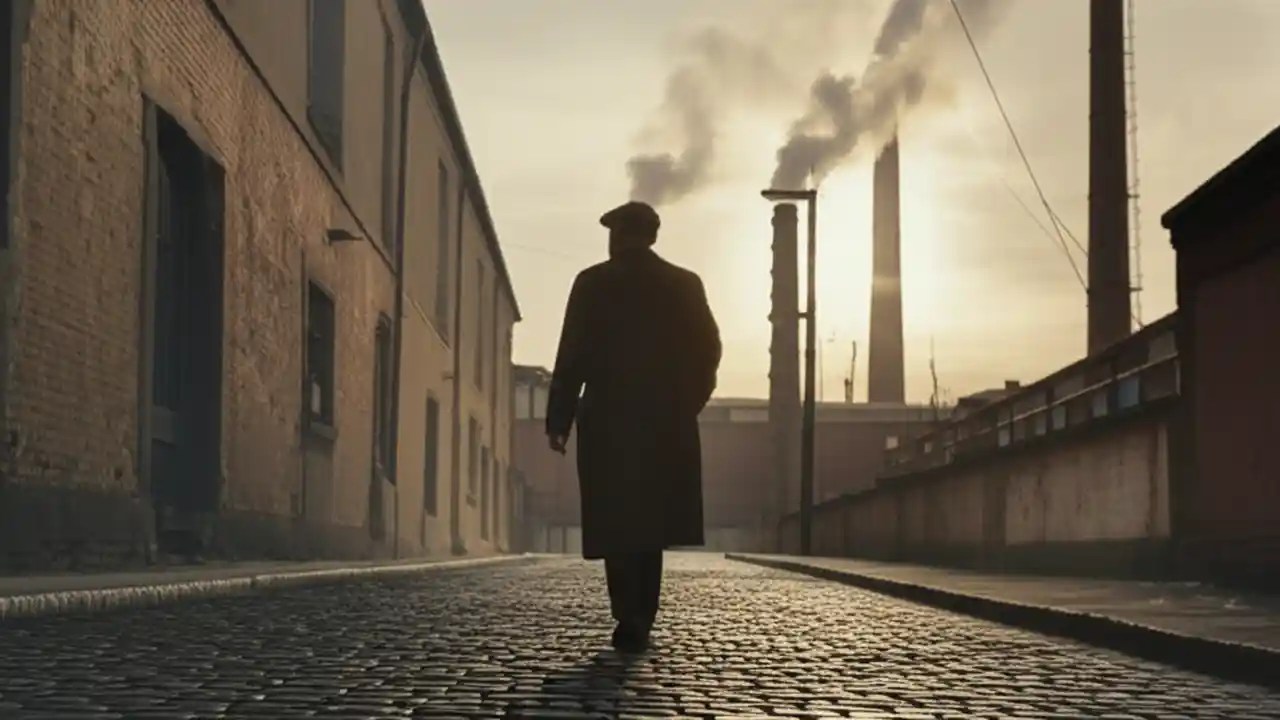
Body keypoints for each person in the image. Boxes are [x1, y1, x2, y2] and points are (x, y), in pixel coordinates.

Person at [546, 200, 721, 653]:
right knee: (651, 521)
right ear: (653, 236)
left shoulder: (592, 283)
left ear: (618, 235)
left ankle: (628, 613)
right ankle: (642, 613)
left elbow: (572, 355)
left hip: (608, 418)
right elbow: (709, 351)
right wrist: (687, 404)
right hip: (665, 422)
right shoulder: (684, 284)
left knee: (617, 518)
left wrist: (559, 420)